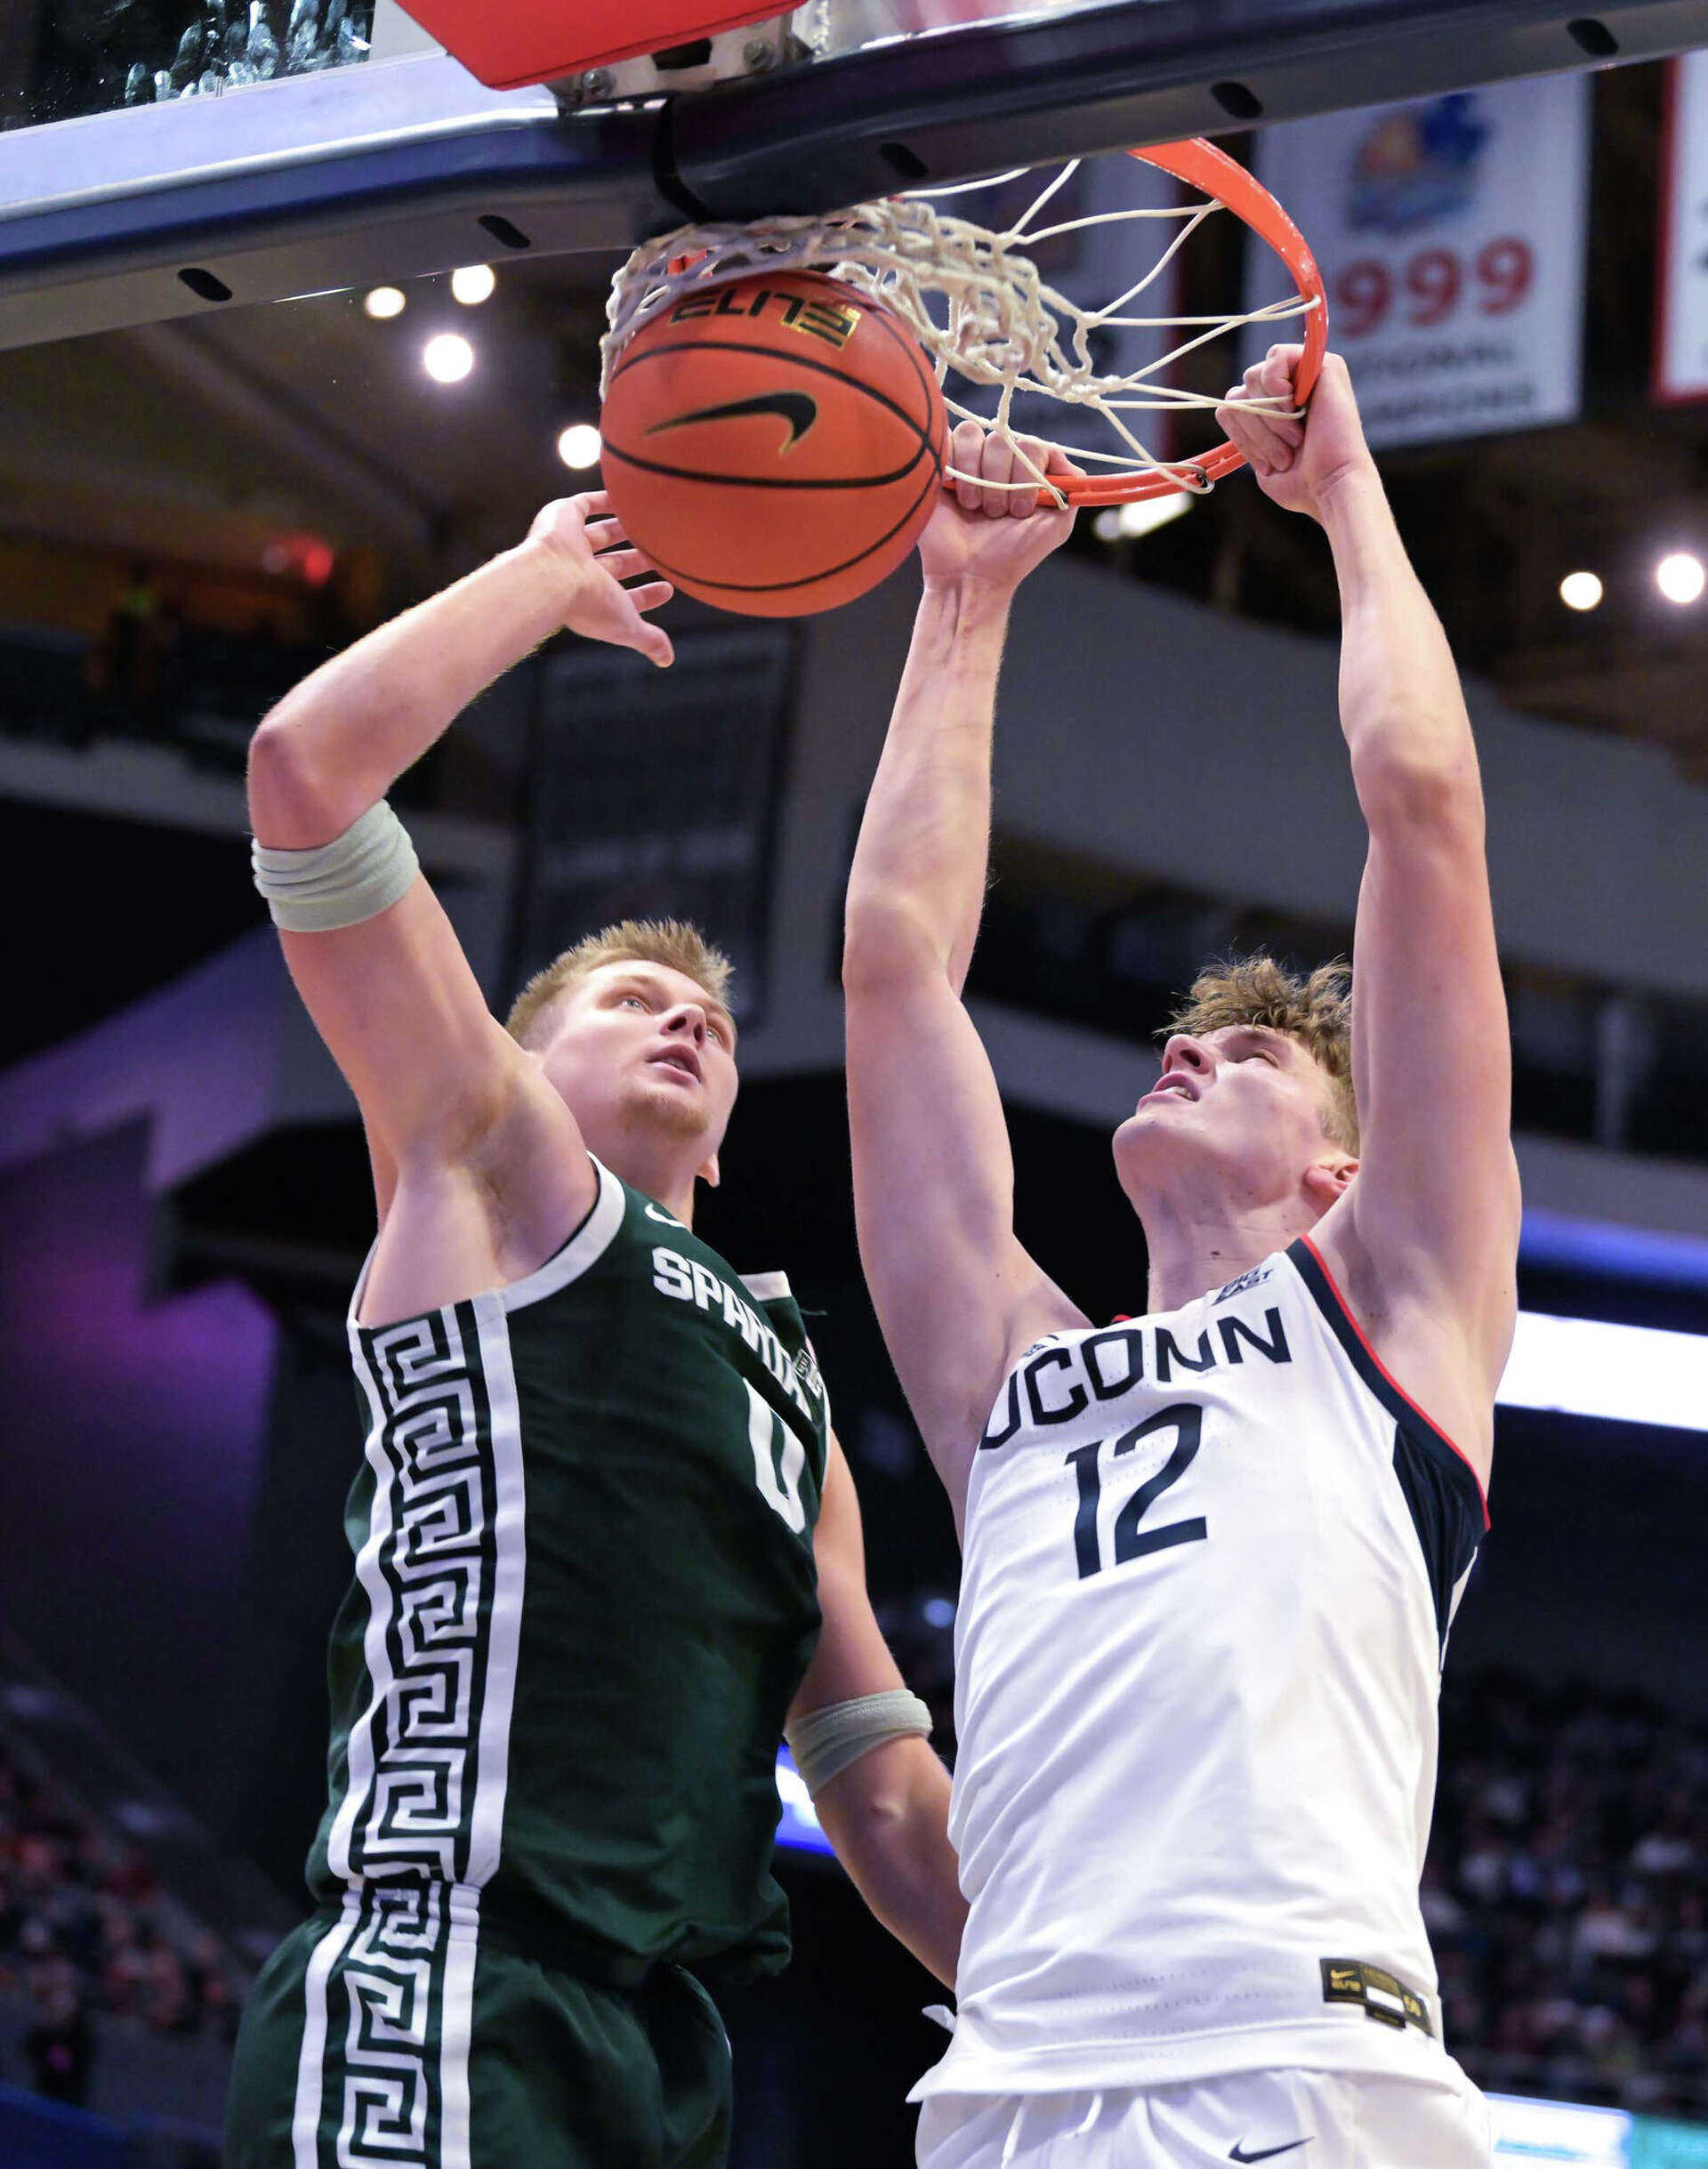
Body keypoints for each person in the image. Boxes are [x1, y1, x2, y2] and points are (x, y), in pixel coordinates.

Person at [226, 492, 963, 2169]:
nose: (687, 1017)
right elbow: (305, 773)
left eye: (711, 1018)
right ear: (517, 1053)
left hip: (670, 2049)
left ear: (727, 1137)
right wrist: (538, 580)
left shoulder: (791, 1391)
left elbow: (879, 1792)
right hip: (451, 1972)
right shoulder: (489, 1157)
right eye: (631, 1001)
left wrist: (1107, 2003)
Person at [842, 352, 1519, 2167]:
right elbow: (895, 967)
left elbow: (1424, 812)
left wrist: (1347, 503)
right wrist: (962, 603)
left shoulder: (1395, 1299)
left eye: (1254, 1054)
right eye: (1185, 1040)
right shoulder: (1008, 1369)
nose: (1191, 1050)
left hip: (1295, 2058)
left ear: (1341, 1166)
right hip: (1009, 2081)